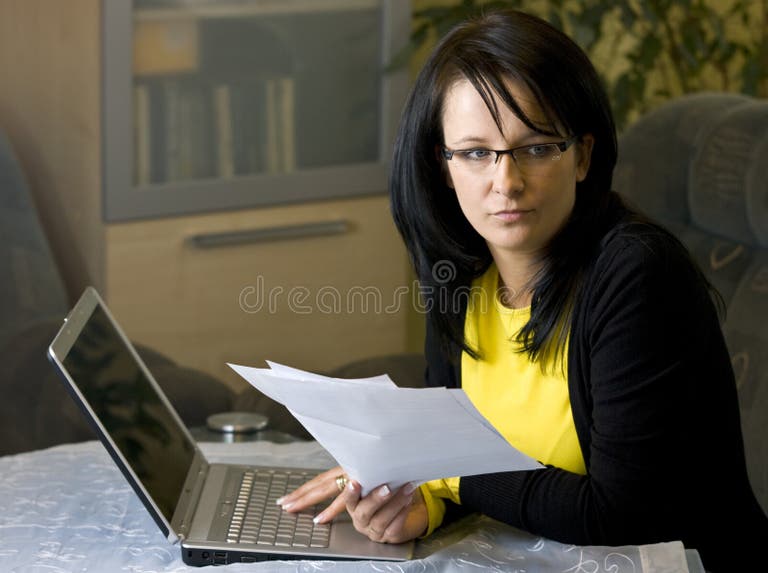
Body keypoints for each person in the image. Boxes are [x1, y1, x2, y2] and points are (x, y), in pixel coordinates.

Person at [276, 9, 768, 570]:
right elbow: (467, 456)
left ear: (582, 155)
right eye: (476, 152)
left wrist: (437, 469)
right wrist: (420, 503)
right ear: (443, 165)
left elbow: (624, 512)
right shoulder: (458, 274)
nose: (505, 182)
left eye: (535, 148)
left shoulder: (638, 276)